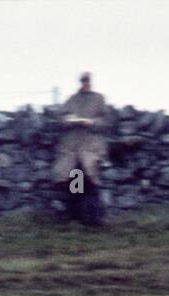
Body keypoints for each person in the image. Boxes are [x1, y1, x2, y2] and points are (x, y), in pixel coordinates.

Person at [51, 71, 109, 226]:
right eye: (83, 81)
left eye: (88, 81)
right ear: (80, 82)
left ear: (91, 82)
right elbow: (61, 119)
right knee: (73, 183)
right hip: (71, 149)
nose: (85, 84)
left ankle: (94, 219)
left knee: (91, 183)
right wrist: (69, 120)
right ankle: (74, 216)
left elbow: (106, 121)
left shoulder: (99, 99)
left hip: (91, 148)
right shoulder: (71, 100)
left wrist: (93, 123)